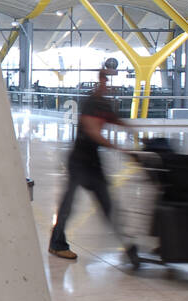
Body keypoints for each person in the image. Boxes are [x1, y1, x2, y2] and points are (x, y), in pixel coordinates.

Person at [48, 69, 139, 268]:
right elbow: (92, 131)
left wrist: (132, 131)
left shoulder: (105, 103)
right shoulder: (91, 102)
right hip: (79, 161)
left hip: (93, 162)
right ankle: (57, 243)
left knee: (108, 204)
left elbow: (116, 120)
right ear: (100, 81)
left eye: (111, 82)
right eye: (106, 81)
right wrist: (121, 149)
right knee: (69, 204)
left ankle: (129, 247)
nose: (109, 85)